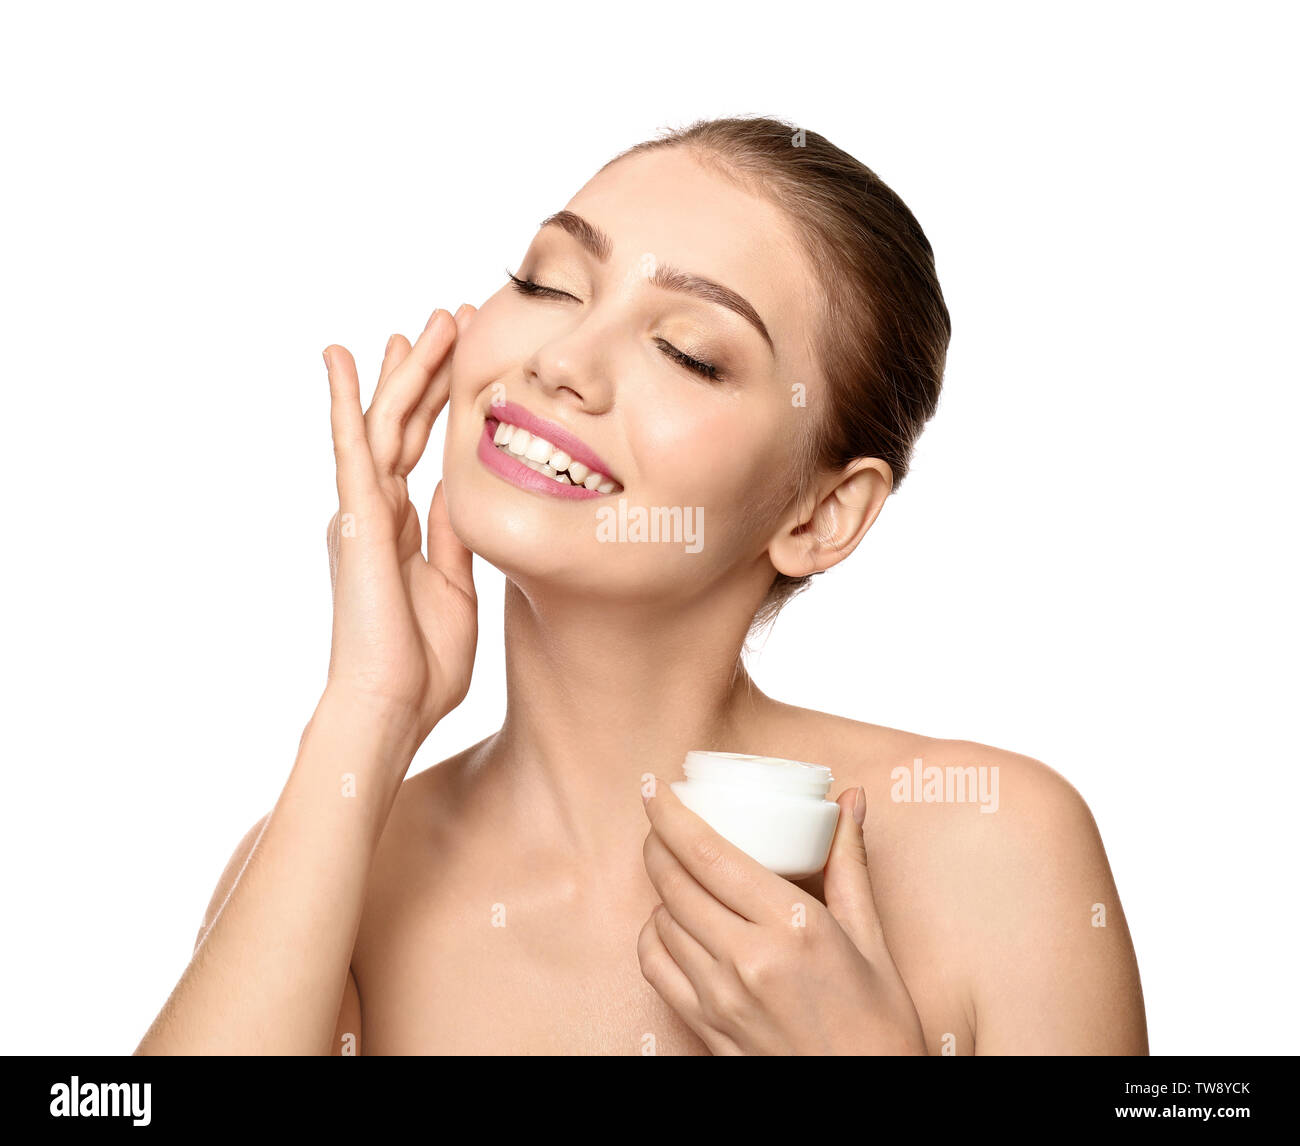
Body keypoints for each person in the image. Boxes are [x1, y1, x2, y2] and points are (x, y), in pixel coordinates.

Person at [136, 116, 1147, 1055]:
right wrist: (366, 707)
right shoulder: (334, 868)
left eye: (686, 352)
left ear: (820, 515)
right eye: (547, 284)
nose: (562, 359)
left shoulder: (993, 849)